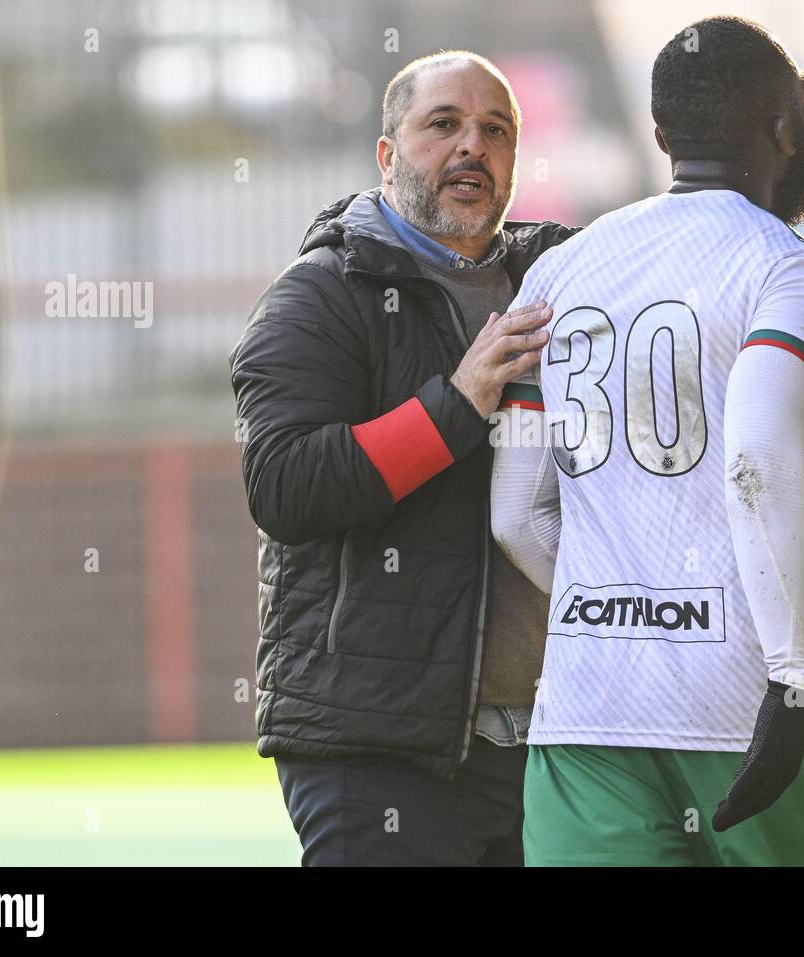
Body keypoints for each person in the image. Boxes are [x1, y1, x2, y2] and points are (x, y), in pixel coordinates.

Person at [490, 15, 804, 865]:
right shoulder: (791, 266)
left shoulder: (557, 271)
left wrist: (619, 610)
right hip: (750, 692)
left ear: (661, 135)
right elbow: (756, 455)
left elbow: (515, 515)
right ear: (785, 128)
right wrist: (795, 671)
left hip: (587, 705)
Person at [229, 50, 577, 866]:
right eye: (443, 124)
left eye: (496, 131)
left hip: (550, 745)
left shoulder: (557, 282)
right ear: (387, 156)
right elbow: (283, 483)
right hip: (380, 748)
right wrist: (453, 408)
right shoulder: (318, 295)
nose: (472, 147)